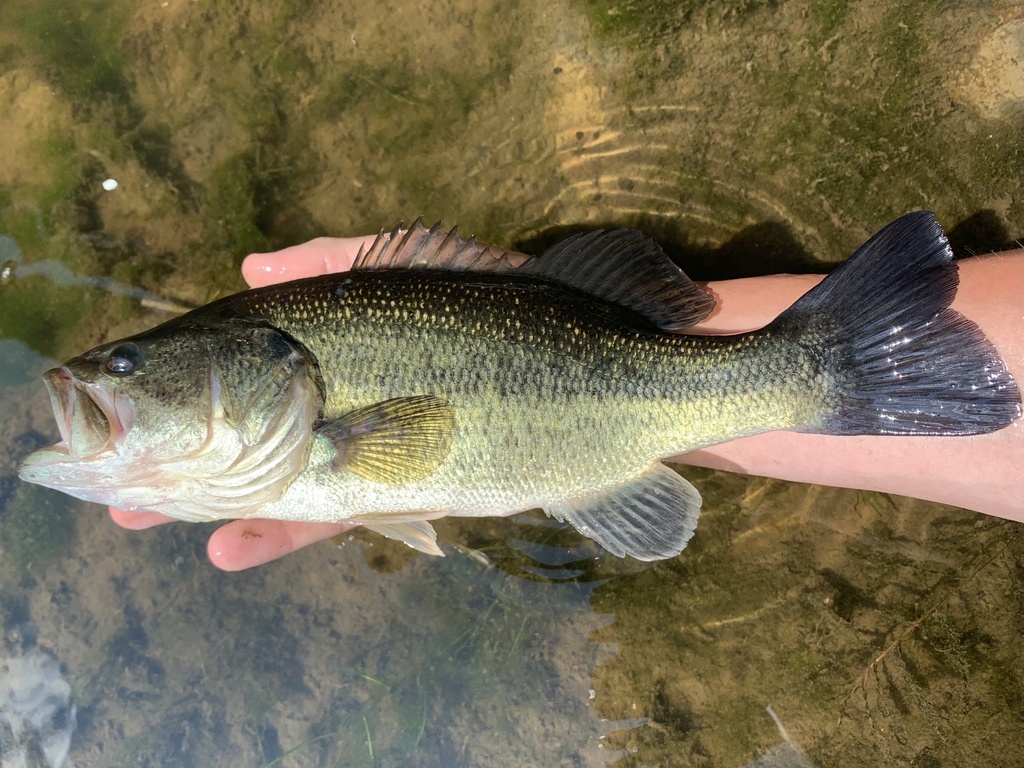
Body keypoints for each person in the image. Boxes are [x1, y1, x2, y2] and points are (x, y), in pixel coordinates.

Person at [109, 234, 1024, 570]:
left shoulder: (295, 399)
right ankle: (826, 364)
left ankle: (819, 367)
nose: (112, 385)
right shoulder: (286, 404)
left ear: (254, 364)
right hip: (590, 386)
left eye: (127, 366)